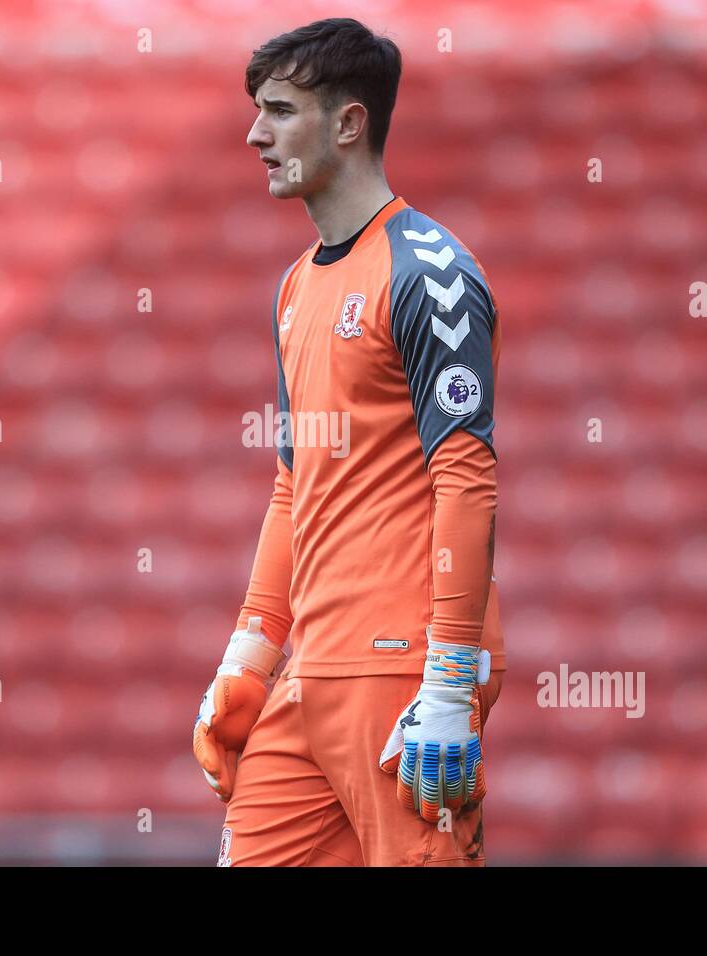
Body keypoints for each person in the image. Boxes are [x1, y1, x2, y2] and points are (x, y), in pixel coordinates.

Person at [192, 18, 506, 866]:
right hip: (312, 668)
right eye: (257, 111)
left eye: (279, 111)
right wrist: (251, 651)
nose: (255, 133)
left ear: (348, 123)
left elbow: (466, 479)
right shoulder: (295, 286)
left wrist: (448, 681)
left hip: (403, 671)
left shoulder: (430, 271)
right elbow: (295, 483)